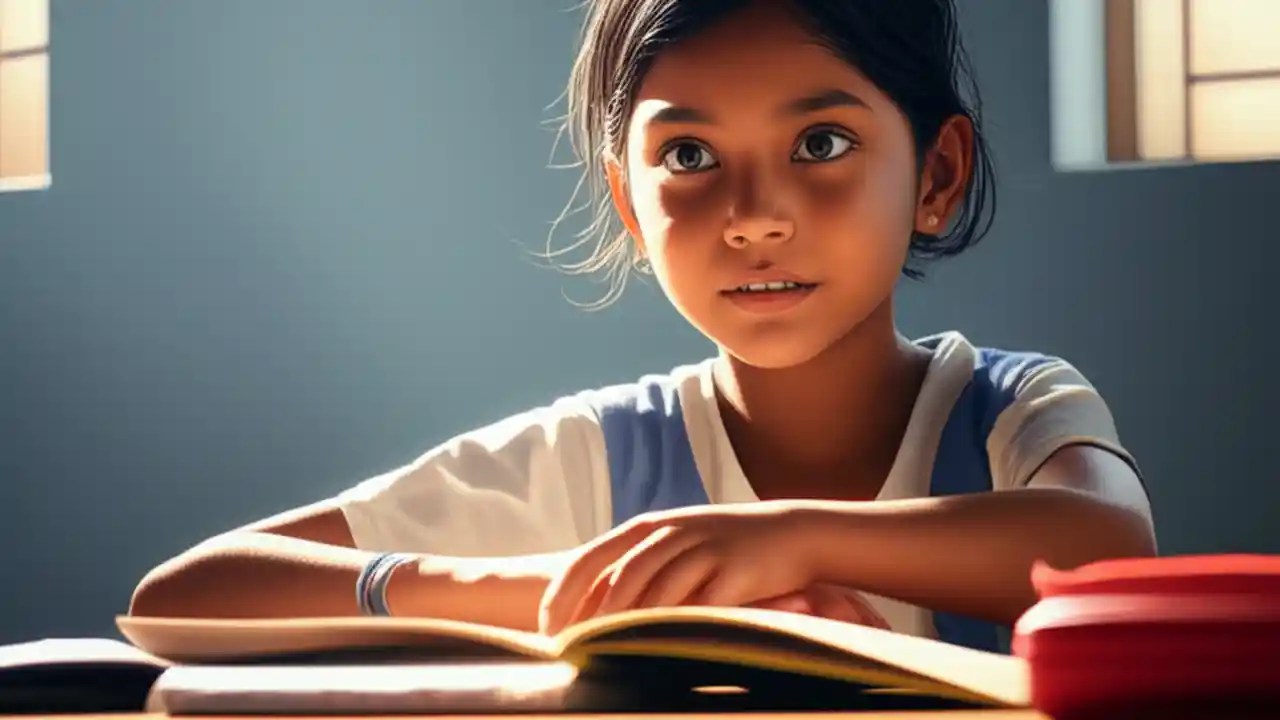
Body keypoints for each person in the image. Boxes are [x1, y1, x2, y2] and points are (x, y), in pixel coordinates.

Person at [129, 0, 1157, 652]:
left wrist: (782, 540)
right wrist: (553, 589)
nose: (753, 213)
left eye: (822, 141)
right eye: (688, 158)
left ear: (933, 175)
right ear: (628, 203)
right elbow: (185, 596)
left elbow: (1107, 546)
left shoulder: (1007, 408)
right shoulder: (597, 458)